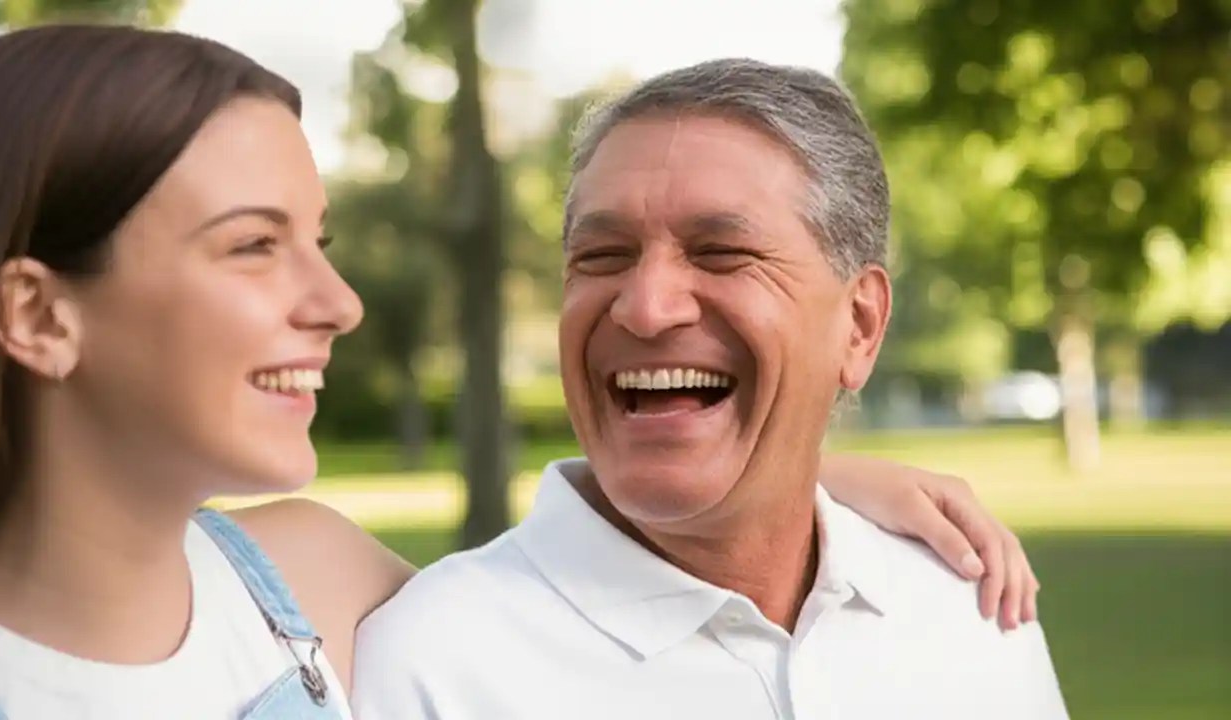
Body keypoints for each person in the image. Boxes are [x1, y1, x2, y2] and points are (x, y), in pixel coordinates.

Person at [0, 26, 1036, 719]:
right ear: (39, 314)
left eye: (319, 240)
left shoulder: (300, 581)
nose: (339, 303)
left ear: (861, 321)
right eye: (251, 244)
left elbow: (644, 561)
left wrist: (811, 469)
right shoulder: (388, 630)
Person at [351, 59, 1068, 719]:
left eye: (722, 253)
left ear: (859, 326)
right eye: (602, 257)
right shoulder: (429, 667)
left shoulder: (971, 606)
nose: (645, 306)